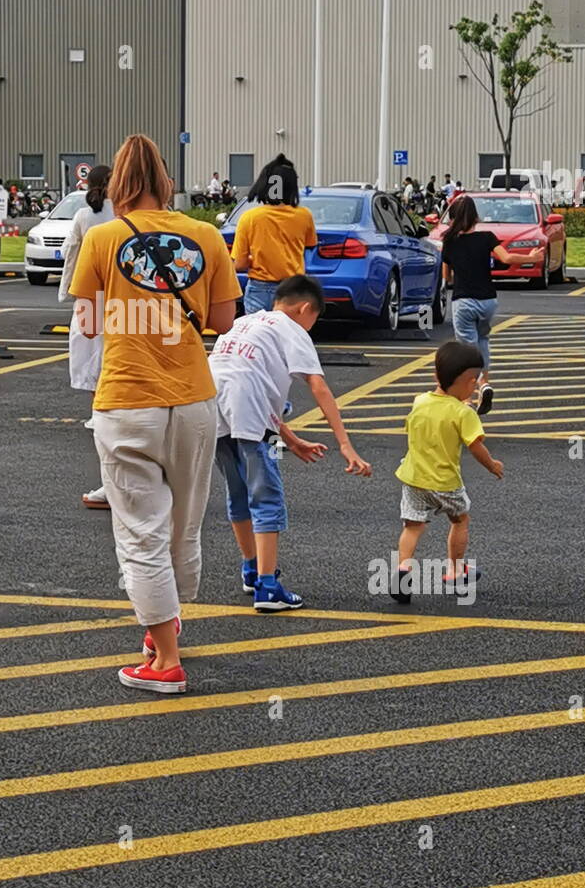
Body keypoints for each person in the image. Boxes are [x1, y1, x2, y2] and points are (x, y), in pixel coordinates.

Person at [71, 133, 242, 694]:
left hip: (127, 399)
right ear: (167, 181)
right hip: (194, 399)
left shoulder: (101, 238)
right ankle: (167, 625)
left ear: (117, 183)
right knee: (182, 525)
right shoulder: (205, 235)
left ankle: (165, 660)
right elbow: (221, 319)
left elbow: (90, 323)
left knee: (139, 532)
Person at [210, 274, 372, 611]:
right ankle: (268, 588)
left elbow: (250, 388)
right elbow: (318, 386)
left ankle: (252, 568)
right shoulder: (292, 328)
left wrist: (292, 440)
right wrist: (345, 443)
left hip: (212, 407)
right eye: (314, 320)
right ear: (305, 308)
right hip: (248, 409)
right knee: (267, 492)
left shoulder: (246, 322)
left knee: (238, 490)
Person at [392, 339, 504, 603]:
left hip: (414, 478)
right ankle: (455, 570)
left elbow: (411, 430)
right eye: (474, 381)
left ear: (436, 375)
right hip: (445, 482)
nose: (475, 386)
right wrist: (492, 465)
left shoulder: (419, 401)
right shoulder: (463, 413)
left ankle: (403, 569)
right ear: (467, 383)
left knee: (413, 526)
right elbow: (476, 447)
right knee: (460, 520)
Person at [441, 193, 544, 416]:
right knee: (483, 341)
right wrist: (532, 258)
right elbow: (506, 259)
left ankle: (468, 397)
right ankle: (484, 385)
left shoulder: (449, 242)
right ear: (476, 217)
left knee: (467, 350)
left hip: (464, 301)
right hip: (488, 301)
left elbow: (446, 277)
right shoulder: (487, 237)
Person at [58, 163, 115, 509]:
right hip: (120, 294)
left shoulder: (83, 215)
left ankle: (99, 405)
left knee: (91, 348)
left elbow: (69, 252)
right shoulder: (121, 213)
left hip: (90, 292)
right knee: (113, 349)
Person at [231, 154, 318, 314]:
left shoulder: (249, 218)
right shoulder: (304, 216)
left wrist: (254, 258)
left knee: (258, 335)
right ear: (292, 187)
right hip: (293, 288)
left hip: (260, 288)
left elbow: (240, 264)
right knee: (288, 336)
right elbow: (309, 245)